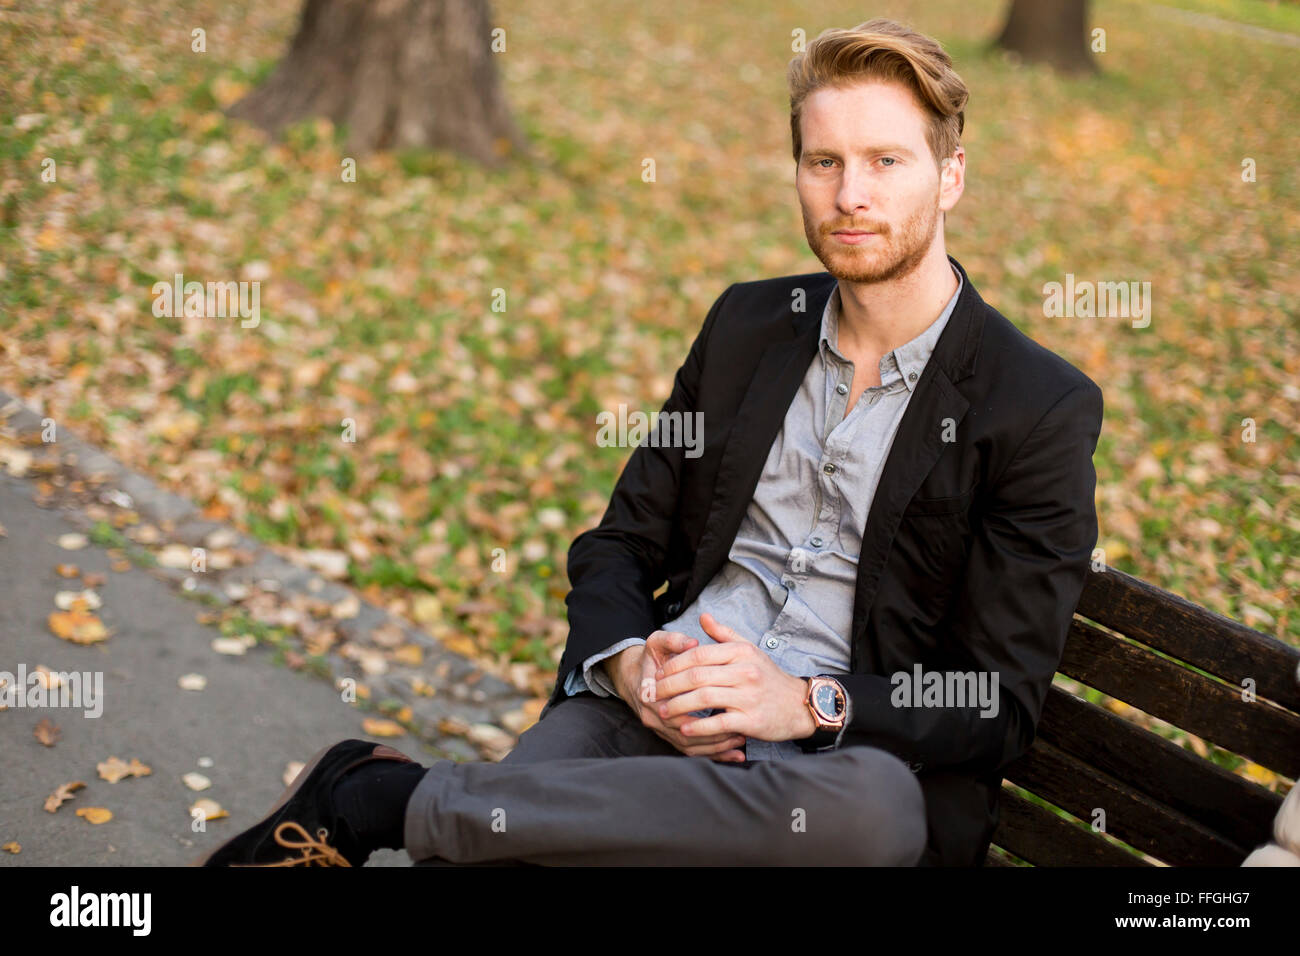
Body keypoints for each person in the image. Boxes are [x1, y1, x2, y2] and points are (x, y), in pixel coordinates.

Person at [201, 16, 1102, 868]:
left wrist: (805, 703)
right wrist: (631, 667)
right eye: (822, 160)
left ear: (949, 178)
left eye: (886, 161)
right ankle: (429, 803)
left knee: (870, 819)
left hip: (842, 766)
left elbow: (994, 700)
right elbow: (621, 543)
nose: (850, 194)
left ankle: (381, 798)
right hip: (659, 707)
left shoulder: (1036, 405)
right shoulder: (750, 326)